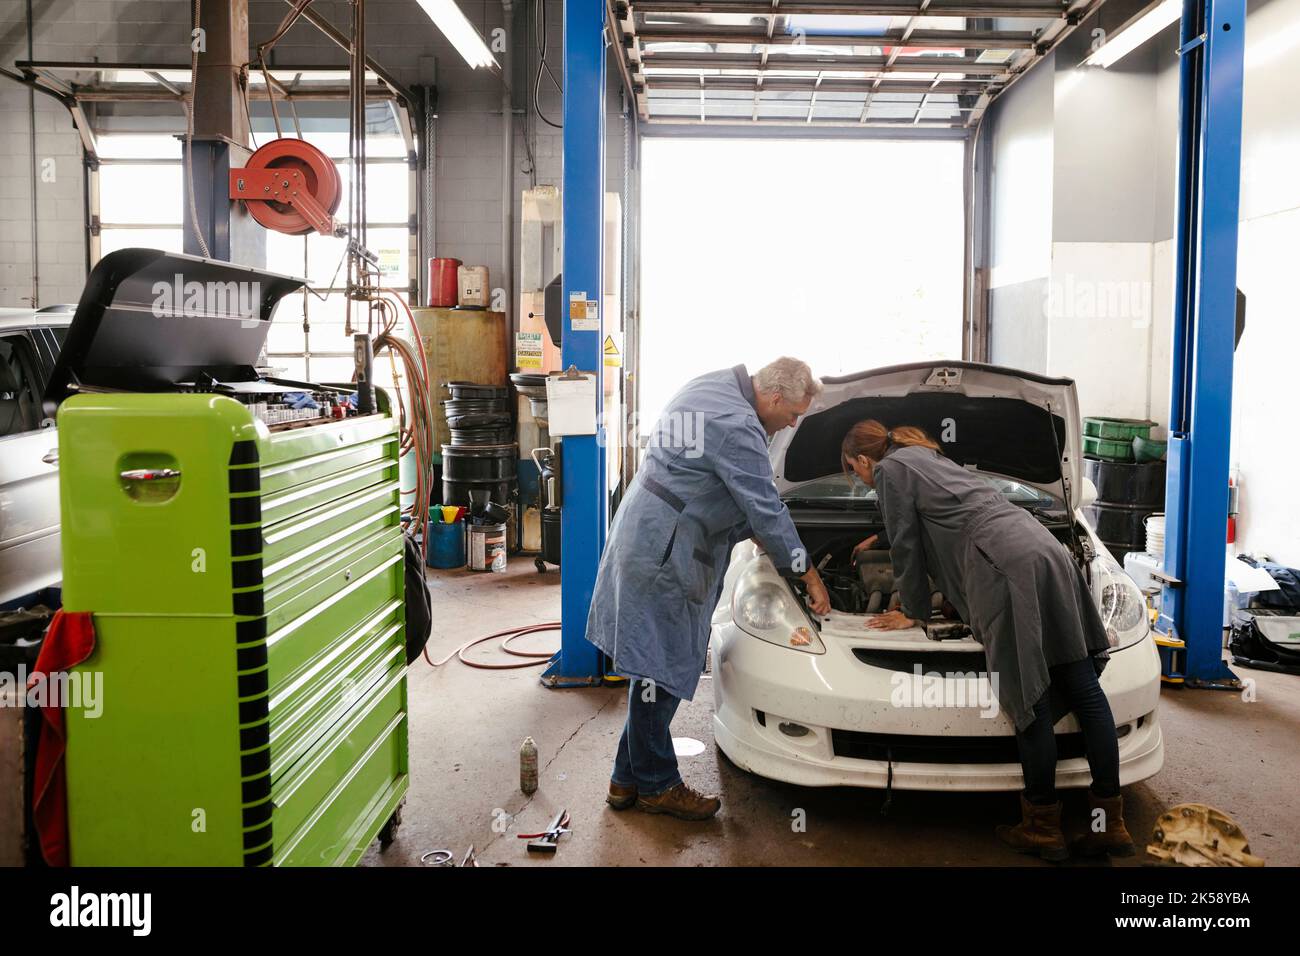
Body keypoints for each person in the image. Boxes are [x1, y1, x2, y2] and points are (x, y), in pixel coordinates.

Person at [840, 419, 1133, 860]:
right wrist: (876, 537)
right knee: (1083, 688)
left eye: (854, 472)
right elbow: (944, 511)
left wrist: (913, 610)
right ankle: (1110, 823)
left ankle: (1042, 825)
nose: (862, 481)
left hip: (1003, 563)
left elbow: (907, 542)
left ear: (863, 459)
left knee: (1027, 693)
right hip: (1040, 547)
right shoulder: (924, 455)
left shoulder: (888, 470)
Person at [587, 358, 832, 821]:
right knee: (663, 672)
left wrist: (769, 536)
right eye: (795, 413)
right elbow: (764, 507)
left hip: (650, 531)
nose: (794, 423)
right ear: (776, 397)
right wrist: (808, 573)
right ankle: (658, 786)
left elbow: (747, 500)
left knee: (654, 667)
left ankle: (625, 780)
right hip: (667, 547)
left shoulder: (715, 384)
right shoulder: (738, 425)